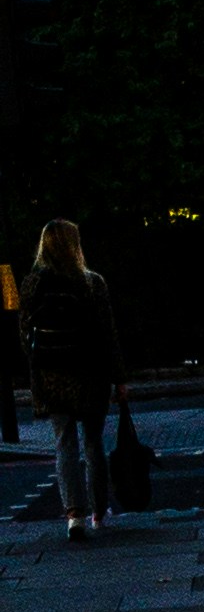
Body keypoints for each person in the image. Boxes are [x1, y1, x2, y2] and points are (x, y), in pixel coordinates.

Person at [23, 219, 127, 543]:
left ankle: (73, 516)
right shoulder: (92, 283)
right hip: (90, 373)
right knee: (93, 442)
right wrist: (119, 378)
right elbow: (108, 334)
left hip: (53, 376)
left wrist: (38, 371)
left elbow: (25, 337)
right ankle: (98, 511)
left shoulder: (32, 284)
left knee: (63, 442)